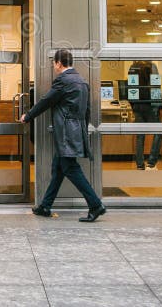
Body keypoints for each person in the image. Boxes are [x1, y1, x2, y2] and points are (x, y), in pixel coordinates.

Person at [21, 49, 106, 222]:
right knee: (58, 168)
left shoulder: (63, 81)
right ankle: (45, 206)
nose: (54, 66)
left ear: (59, 63)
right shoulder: (82, 82)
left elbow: (46, 101)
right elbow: (87, 111)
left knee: (70, 168)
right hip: (77, 129)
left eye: (54, 63)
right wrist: (81, 128)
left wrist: (28, 116)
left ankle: (95, 205)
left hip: (66, 132)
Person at [128, 60, 162, 170]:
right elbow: (155, 86)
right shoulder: (152, 66)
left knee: (140, 135)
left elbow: (130, 87)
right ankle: (151, 163)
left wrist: (133, 105)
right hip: (150, 104)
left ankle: (139, 164)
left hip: (137, 105)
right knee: (158, 132)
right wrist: (157, 105)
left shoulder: (132, 67)